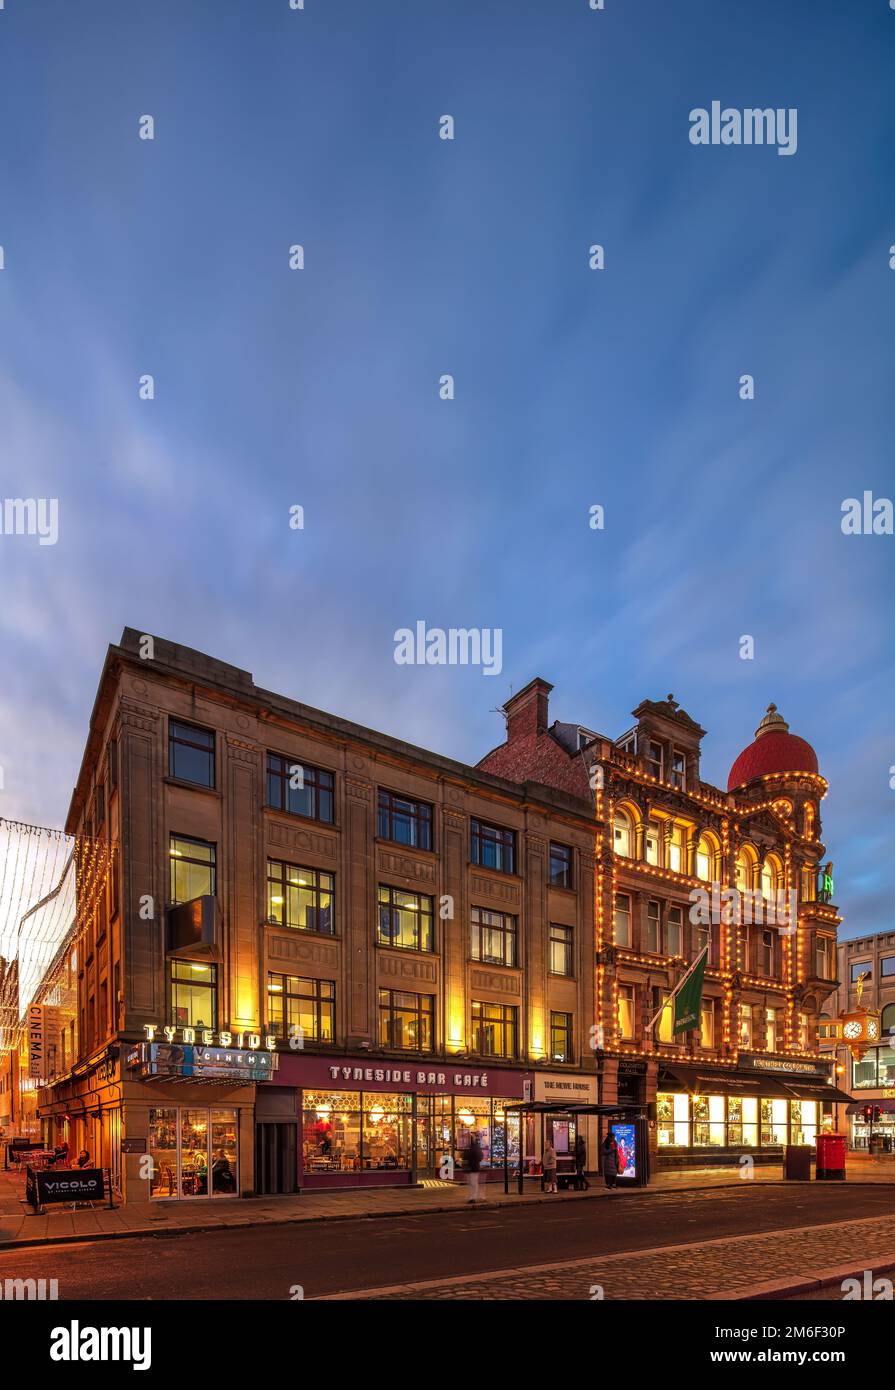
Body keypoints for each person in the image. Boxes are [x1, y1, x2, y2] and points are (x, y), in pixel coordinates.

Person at [465, 1131, 484, 1204]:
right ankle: (471, 1197)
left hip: (473, 1167)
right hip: (470, 1167)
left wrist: (473, 1160)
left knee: (473, 1183)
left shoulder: (475, 1146)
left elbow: (480, 1156)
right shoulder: (469, 1146)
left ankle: (473, 1197)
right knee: (471, 1183)